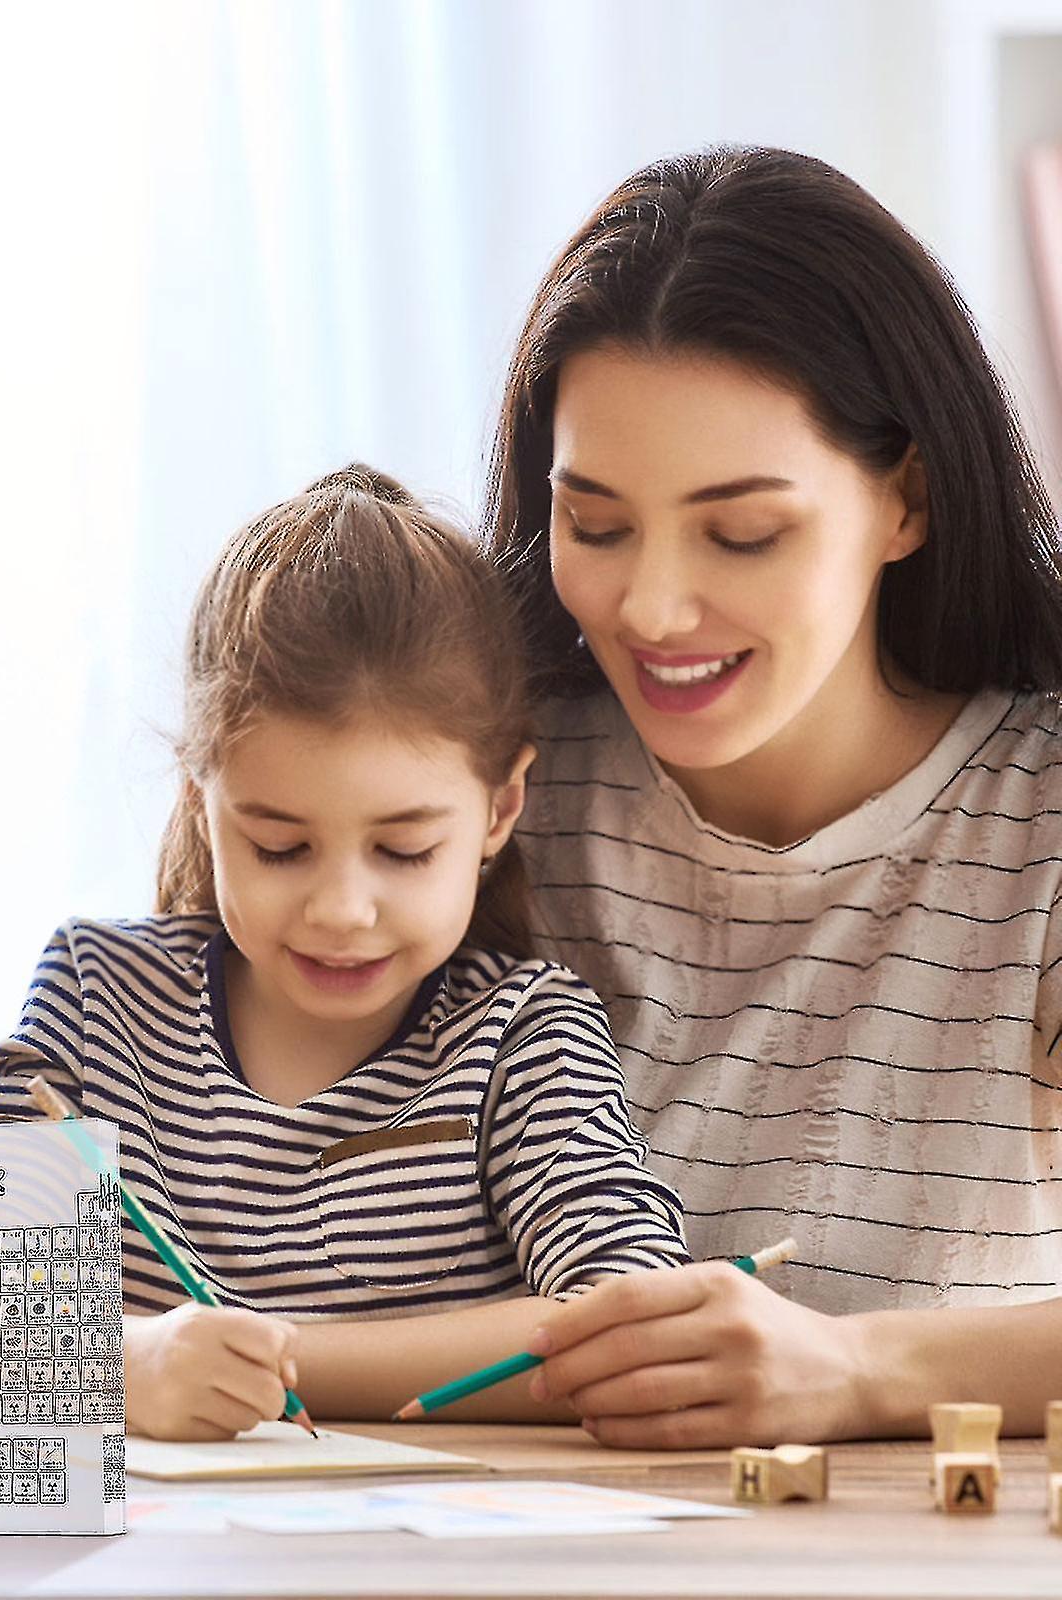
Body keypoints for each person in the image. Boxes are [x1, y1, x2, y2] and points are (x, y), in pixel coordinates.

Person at [483, 144, 1062, 1448]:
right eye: (597, 523)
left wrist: (858, 1371)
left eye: (742, 531)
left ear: (904, 499)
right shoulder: (482, 802)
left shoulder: (1040, 819)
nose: (652, 607)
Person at [0, 466, 689, 1440]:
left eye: (403, 850)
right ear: (200, 802)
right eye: (278, 846)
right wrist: (129, 1366)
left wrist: (276, 1362)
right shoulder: (96, 1000)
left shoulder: (521, 1033)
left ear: (499, 808)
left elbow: (632, 1324)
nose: (343, 910)